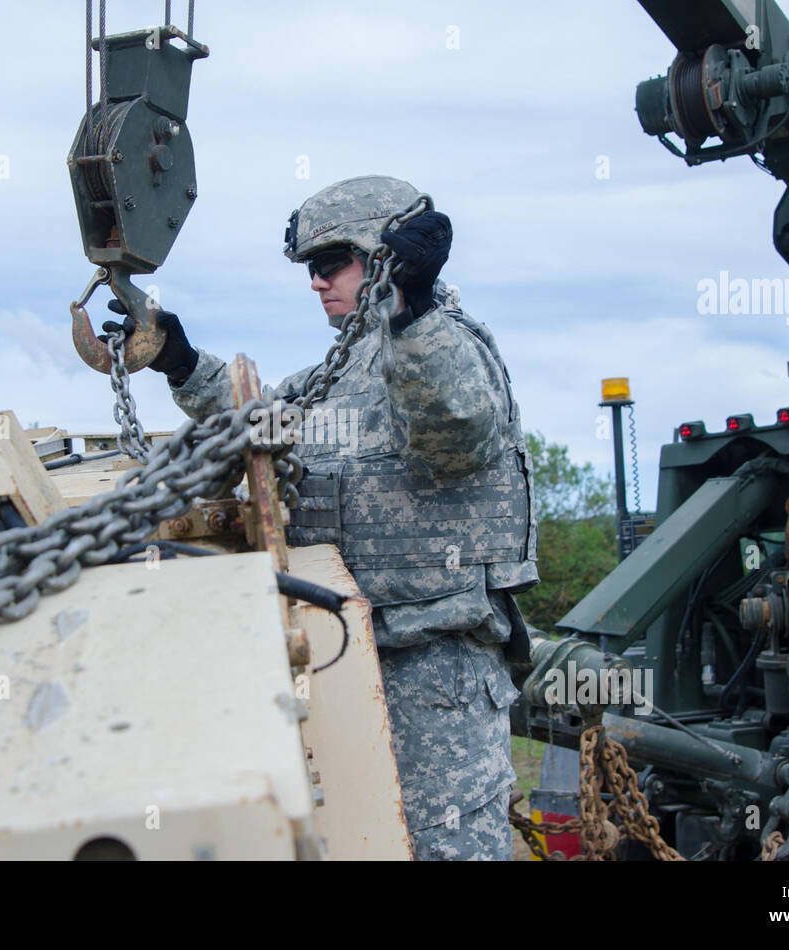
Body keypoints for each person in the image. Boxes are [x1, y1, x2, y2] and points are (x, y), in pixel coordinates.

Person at [101, 175, 538, 860]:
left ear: (382, 253)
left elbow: (453, 425)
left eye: (330, 264)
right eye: (310, 268)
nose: (315, 282)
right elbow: (262, 420)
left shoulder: (443, 345)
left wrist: (413, 308)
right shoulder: (340, 369)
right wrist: (179, 360)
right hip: (344, 650)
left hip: (433, 669)